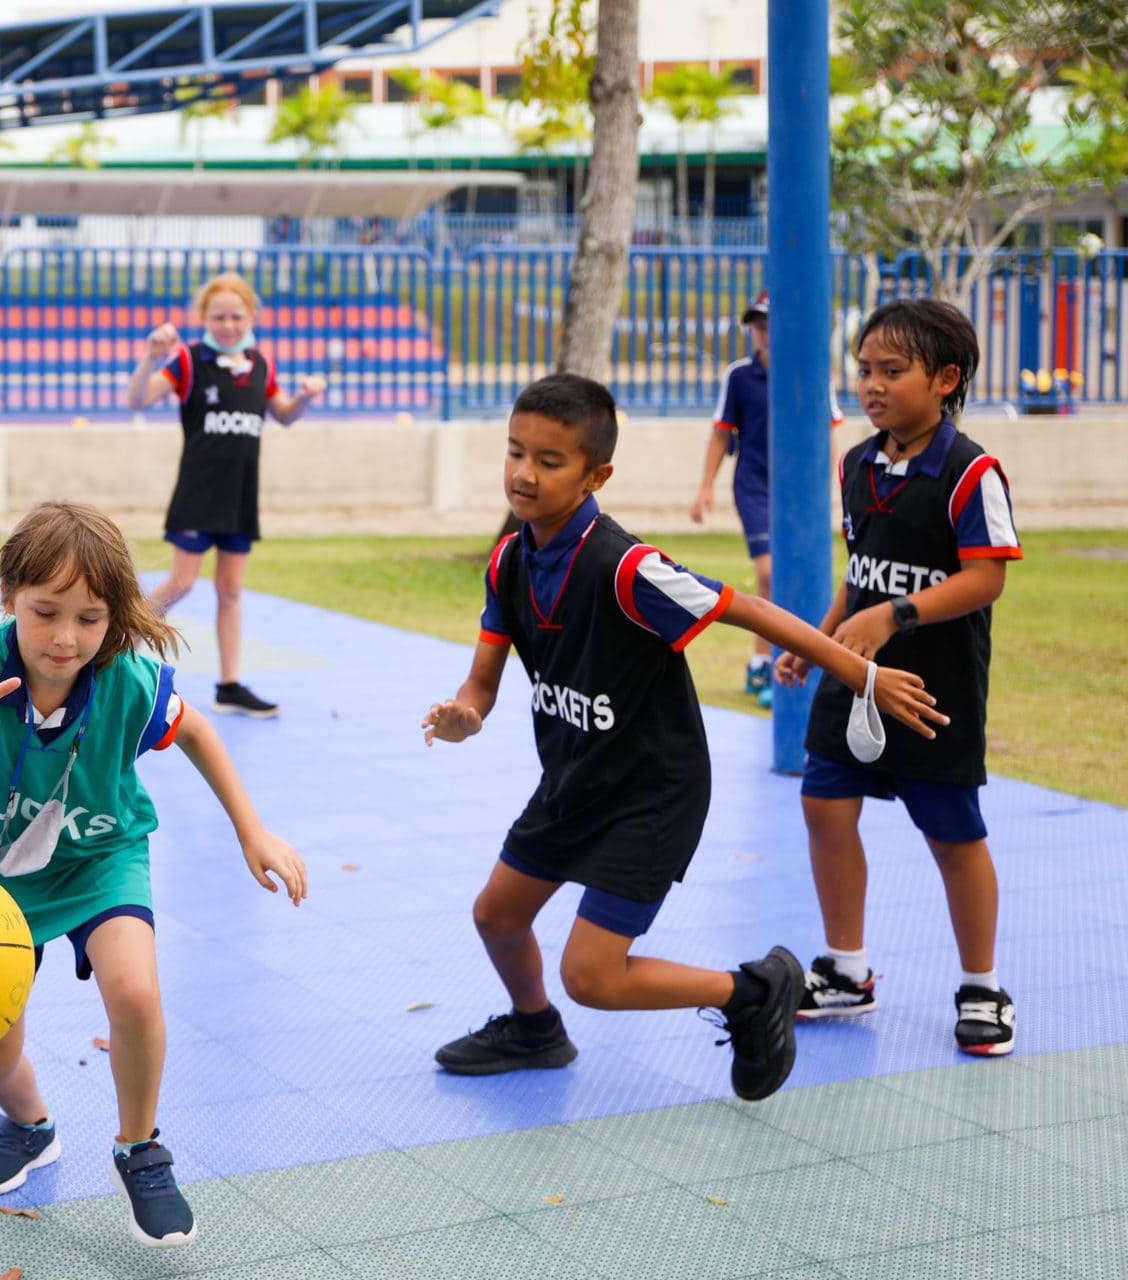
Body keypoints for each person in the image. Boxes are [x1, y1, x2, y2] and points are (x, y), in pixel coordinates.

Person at [421, 374, 945, 1100]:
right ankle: (534, 1029)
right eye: (515, 452)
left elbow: (754, 609)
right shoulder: (510, 559)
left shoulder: (628, 570)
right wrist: (465, 715)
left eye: (549, 460)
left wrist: (861, 675)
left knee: (592, 976)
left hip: (651, 794)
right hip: (574, 780)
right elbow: (483, 680)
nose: (522, 473)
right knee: (497, 916)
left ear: (595, 475)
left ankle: (752, 991)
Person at [0, 501, 307, 1248]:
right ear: (9, 596)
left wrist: (253, 830)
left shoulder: (129, 679)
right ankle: (28, 1125)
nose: (66, 637)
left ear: (113, 620)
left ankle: (138, 1148)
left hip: (102, 857)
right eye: (45, 613)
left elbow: (198, 729)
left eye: (90, 618)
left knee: (136, 995)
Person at [781, 298, 1021, 1056]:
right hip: (854, 678)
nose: (872, 386)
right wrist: (817, 640)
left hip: (931, 691)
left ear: (946, 378)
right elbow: (859, 575)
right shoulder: (857, 462)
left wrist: (896, 618)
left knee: (952, 835)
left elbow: (987, 578)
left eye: (892, 371)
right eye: (863, 370)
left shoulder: (970, 472)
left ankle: (982, 987)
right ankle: (846, 970)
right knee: (824, 804)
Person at [123, 273, 326, 718]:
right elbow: (138, 399)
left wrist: (307, 397)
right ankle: (118, 652)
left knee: (231, 589)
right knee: (180, 583)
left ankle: (230, 685)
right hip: (198, 492)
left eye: (237, 316)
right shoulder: (188, 361)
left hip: (239, 496)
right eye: (219, 316)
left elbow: (285, 415)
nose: (229, 324)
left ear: (252, 316)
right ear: (204, 318)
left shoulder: (261, 365)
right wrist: (150, 358)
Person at [691, 291, 845, 708]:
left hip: (798, 491)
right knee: (768, 572)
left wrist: (826, 485)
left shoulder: (812, 372)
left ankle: (788, 661)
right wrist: (705, 488)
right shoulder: (739, 376)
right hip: (754, 485)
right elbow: (721, 432)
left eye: (770, 324)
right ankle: (763, 662)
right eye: (757, 325)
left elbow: (828, 429)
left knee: (799, 575)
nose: (764, 332)